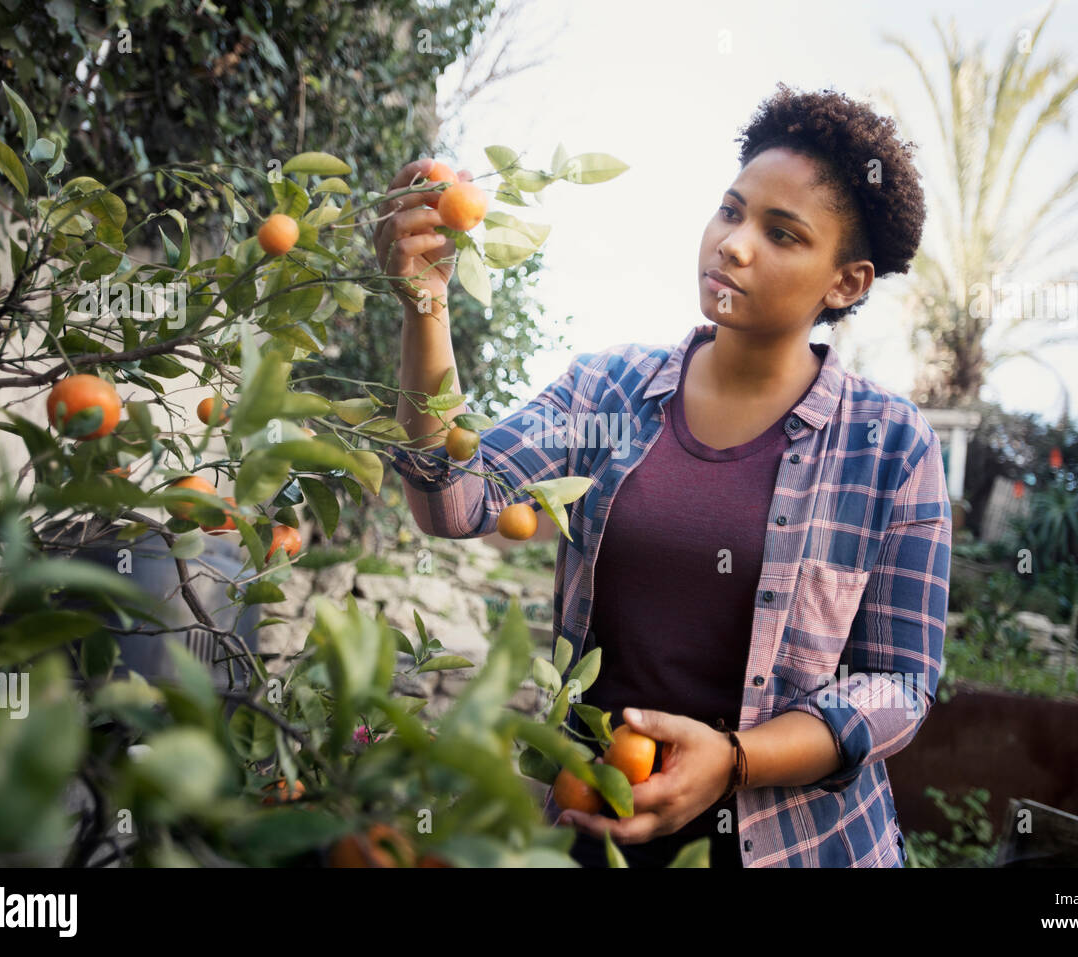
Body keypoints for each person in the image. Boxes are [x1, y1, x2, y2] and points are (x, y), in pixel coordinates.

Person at [374, 83, 950, 868]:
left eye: (781, 233)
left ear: (846, 282)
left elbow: (898, 685)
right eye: (731, 210)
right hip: (600, 825)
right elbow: (456, 499)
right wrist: (426, 302)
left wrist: (735, 758)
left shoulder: (889, 445)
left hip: (804, 846)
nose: (734, 244)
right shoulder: (605, 390)